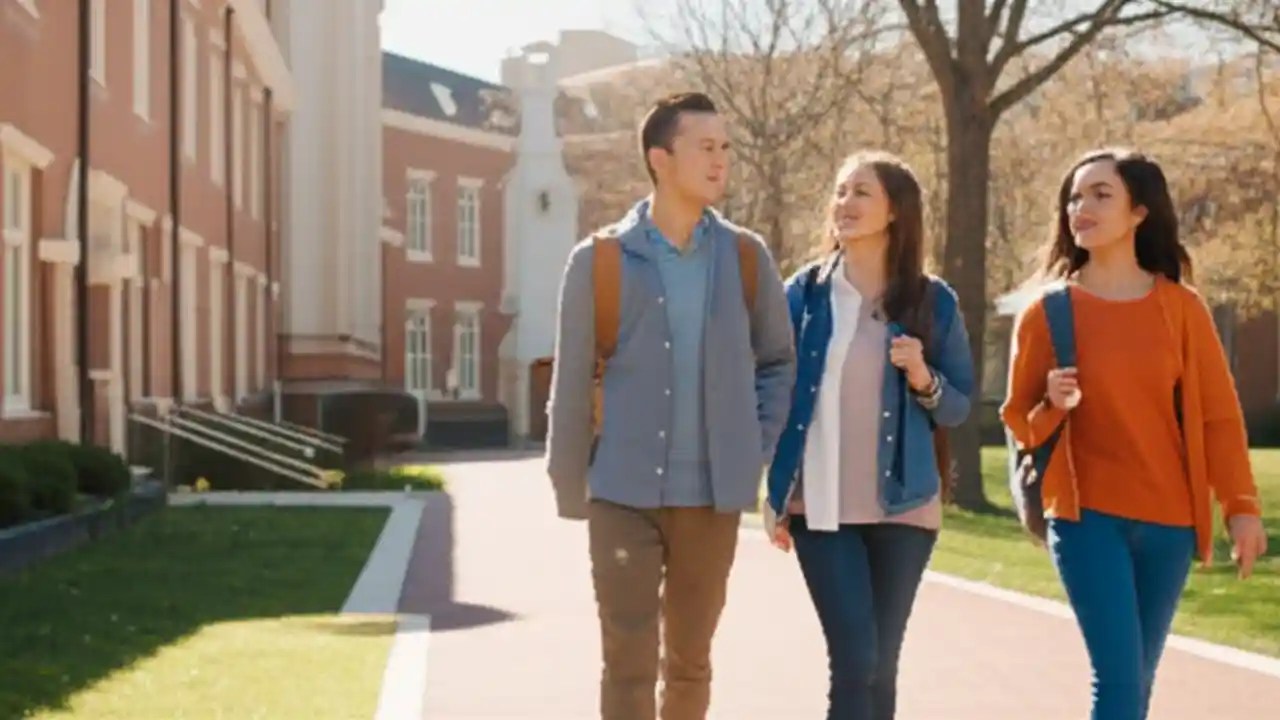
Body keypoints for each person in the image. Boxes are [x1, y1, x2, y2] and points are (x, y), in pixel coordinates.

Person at [544, 91, 796, 720]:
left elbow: (778, 360)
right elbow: (572, 380)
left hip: (710, 499)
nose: (720, 161)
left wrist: (753, 444)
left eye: (726, 149)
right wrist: (569, 483)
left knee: (689, 661)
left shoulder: (745, 257)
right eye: (705, 148)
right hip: (621, 493)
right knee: (626, 658)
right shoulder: (597, 260)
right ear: (661, 158)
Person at [1001, 147, 1269, 720]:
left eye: (1101, 195)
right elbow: (1020, 421)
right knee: (1119, 685)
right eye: (1075, 197)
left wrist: (1241, 507)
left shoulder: (1181, 309)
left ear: (1139, 212)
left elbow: (1219, 418)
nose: (1082, 208)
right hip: (1084, 518)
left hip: (1170, 523)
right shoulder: (1047, 313)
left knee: (1138, 682)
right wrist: (1053, 403)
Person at [762, 150, 975, 720]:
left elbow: (956, 407)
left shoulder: (933, 301)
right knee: (855, 660)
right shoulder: (802, 296)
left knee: (882, 665)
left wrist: (923, 376)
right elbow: (774, 395)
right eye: (840, 191)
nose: (845, 204)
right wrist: (775, 490)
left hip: (903, 507)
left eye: (861, 192)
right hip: (821, 508)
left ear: (895, 213)